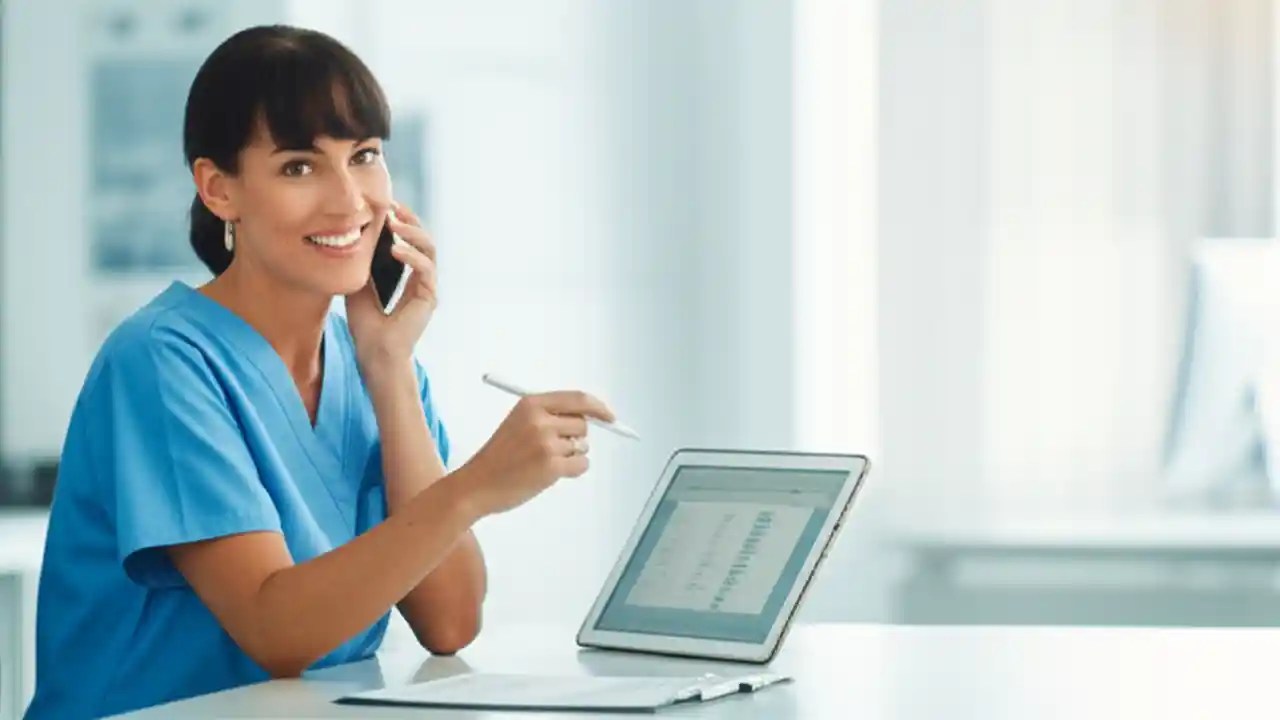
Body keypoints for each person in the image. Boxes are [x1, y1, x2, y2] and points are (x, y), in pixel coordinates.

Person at [24, 24, 614, 719]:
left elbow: (450, 621)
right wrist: (480, 484)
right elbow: (277, 631)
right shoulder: (161, 361)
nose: (349, 200)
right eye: (299, 166)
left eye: (364, 156)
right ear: (219, 190)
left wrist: (390, 370)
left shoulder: (376, 364)